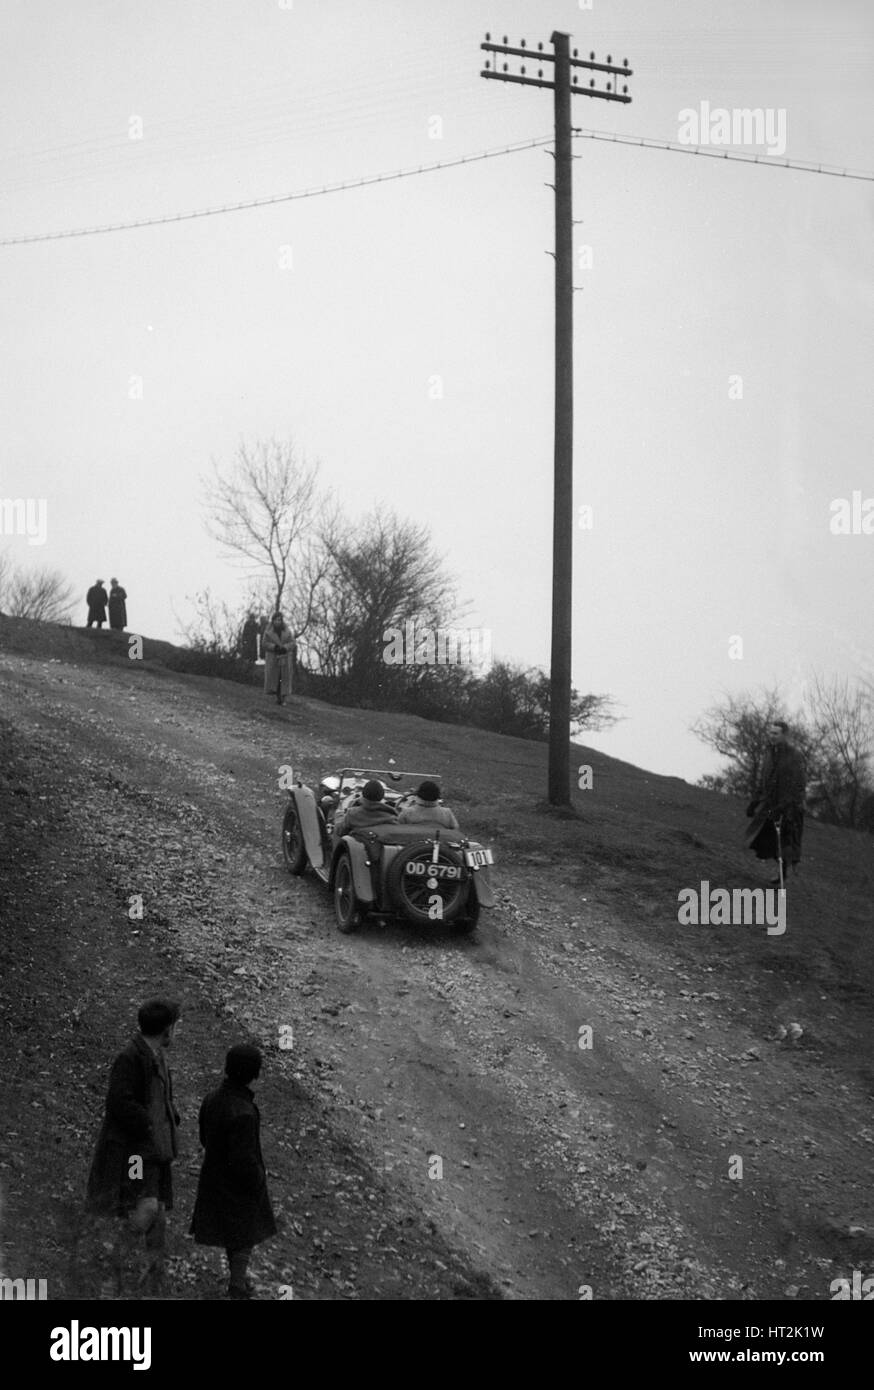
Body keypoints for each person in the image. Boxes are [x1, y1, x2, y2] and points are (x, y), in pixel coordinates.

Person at [86, 998, 181, 1294]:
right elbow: (119, 1103)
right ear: (166, 1030)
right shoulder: (131, 1058)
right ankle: (113, 1262)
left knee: (158, 1212)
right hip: (134, 1154)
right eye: (175, 1027)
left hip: (152, 1151)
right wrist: (149, 1123)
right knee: (146, 1206)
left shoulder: (155, 1055)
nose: (176, 1032)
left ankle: (154, 1280)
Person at [190, 1044, 277, 1300]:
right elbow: (245, 1158)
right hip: (238, 1185)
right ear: (255, 1075)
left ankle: (237, 1279)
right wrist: (258, 1178)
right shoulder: (244, 1112)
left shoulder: (212, 1099)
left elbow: (204, 1137)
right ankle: (237, 1285)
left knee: (233, 1233)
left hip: (213, 1177)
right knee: (244, 1234)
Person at [746, 720, 806, 884]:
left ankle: (783, 873)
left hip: (789, 807)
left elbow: (799, 786)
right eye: (770, 733)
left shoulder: (795, 756)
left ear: (785, 735)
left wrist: (783, 807)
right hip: (769, 804)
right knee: (764, 839)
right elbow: (764, 778)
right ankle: (783, 870)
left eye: (776, 733)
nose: (771, 736)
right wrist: (754, 802)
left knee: (785, 841)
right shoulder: (769, 752)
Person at [334, 778, 399, 836]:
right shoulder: (392, 817)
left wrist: (339, 814)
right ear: (381, 796)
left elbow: (340, 831)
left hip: (357, 846)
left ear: (364, 794)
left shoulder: (352, 814)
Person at [262, 611, 296, 705]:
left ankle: (283, 698)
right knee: (275, 678)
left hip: (284, 658)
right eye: (276, 620)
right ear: (273, 621)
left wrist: (285, 647)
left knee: (284, 678)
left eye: (280, 620)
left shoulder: (287, 631)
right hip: (274, 658)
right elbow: (264, 644)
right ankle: (278, 697)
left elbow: (293, 643)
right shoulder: (268, 631)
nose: (278, 622)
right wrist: (274, 647)